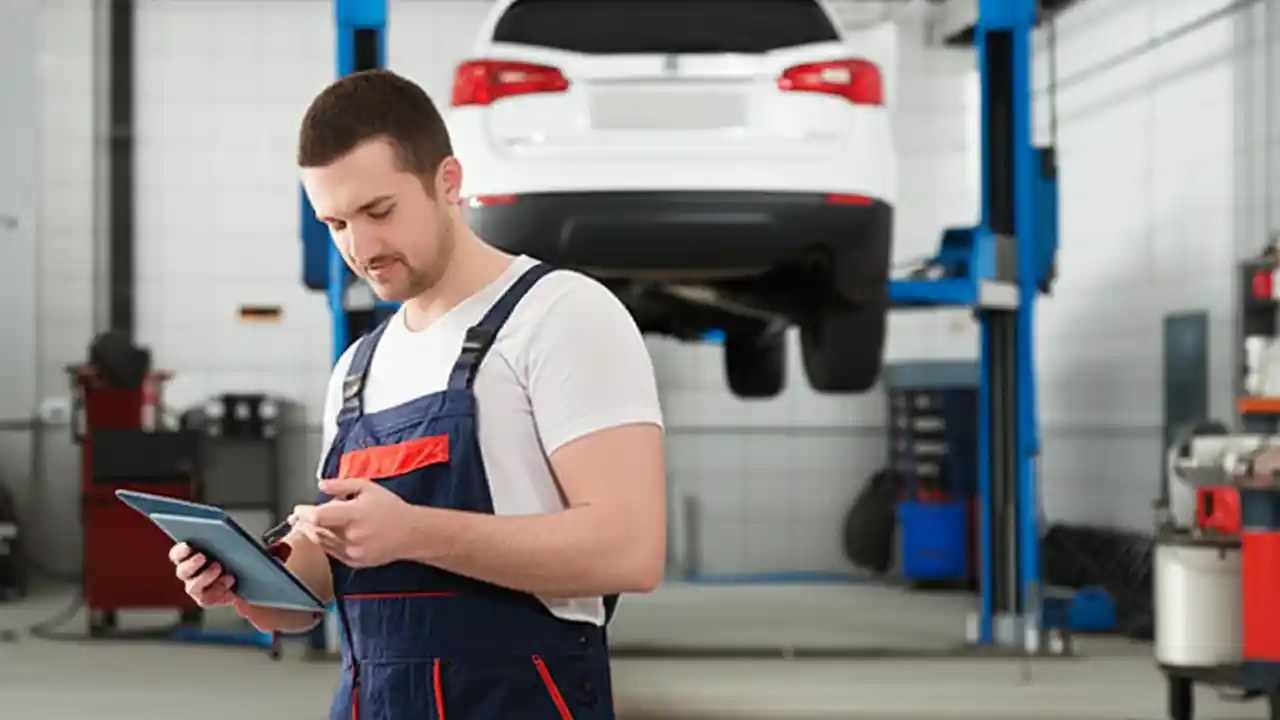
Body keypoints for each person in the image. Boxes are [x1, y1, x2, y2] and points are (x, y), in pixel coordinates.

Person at [167, 68, 667, 719]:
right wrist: (248, 584)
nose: (361, 248)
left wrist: (413, 532)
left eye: (379, 212)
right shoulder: (357, 368)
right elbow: (325, 583)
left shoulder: (562, 316)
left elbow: (629, 551)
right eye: (336, 223)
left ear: (448, 182)